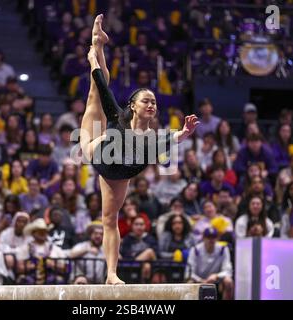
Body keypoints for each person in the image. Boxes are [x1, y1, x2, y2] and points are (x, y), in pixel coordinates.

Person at [78, 14, 199, 284]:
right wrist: (93, 60)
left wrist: (185, 132)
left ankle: (111, 274)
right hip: (97, 153)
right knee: (94, 92)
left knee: (110, 219)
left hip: (119, 173)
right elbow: (102, 86)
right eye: (146, 100)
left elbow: (174, 138)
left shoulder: (152, 138)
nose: (152, 104)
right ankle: (98, 42)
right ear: (133, 105)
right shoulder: (119, 117)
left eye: (155, 102)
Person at [186, 227, 233, 300]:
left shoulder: (223, 249)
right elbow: (189, 273)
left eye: (213, 237)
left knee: (228, 281)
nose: (211, 240)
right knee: (189, 282)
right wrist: (201, 281)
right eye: (208, 237)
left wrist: (216, 276)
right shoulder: (195, 250)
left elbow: (228, 270)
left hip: (216, 280)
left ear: (217, 238)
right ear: (203, 238)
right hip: (199, 280)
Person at [16, 218, 67, 285]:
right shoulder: (25, 248)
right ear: (33, 233)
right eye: (39, 231)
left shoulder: (55, 249)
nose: (42, 233)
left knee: (58, 280)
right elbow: (18, 268)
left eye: (44, 231)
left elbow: (67, 268)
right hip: (30, 279)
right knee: (23, 279)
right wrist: (32, 266)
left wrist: (52, 265)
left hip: (51, 279)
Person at [120, 215, 158, 282]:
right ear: (132, 226)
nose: (139, 227)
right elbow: (125, 254)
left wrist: (138, 256)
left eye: (141, 224)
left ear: (145, 226)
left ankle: (145, 286)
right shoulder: (128, 238)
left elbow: (155, 254)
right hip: (129, 266)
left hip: (148, 265)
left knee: (147, 263)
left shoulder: (150, 238)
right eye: (136, 224)